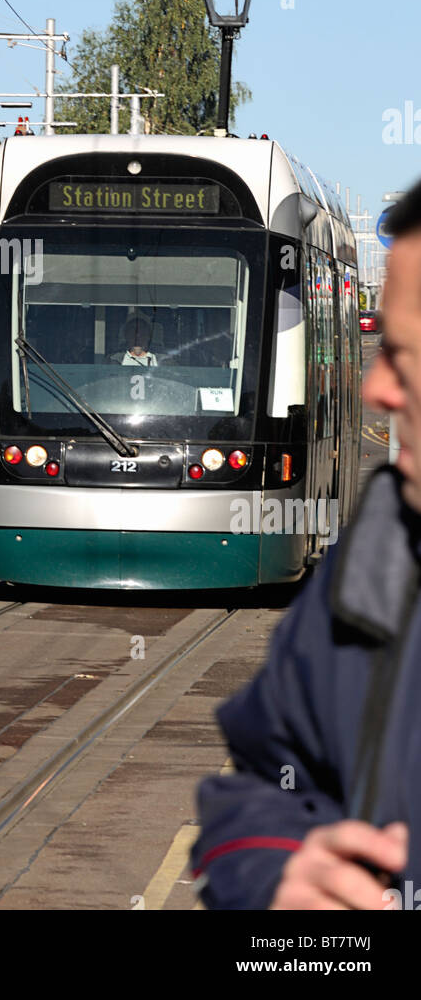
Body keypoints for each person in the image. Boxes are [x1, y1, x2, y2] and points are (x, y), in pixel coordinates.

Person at [191, 178, 421, 910]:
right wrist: (277, 873)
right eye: (382, 346)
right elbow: (263, 784)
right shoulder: (374, 574)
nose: (377, 391)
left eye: (407, 355)